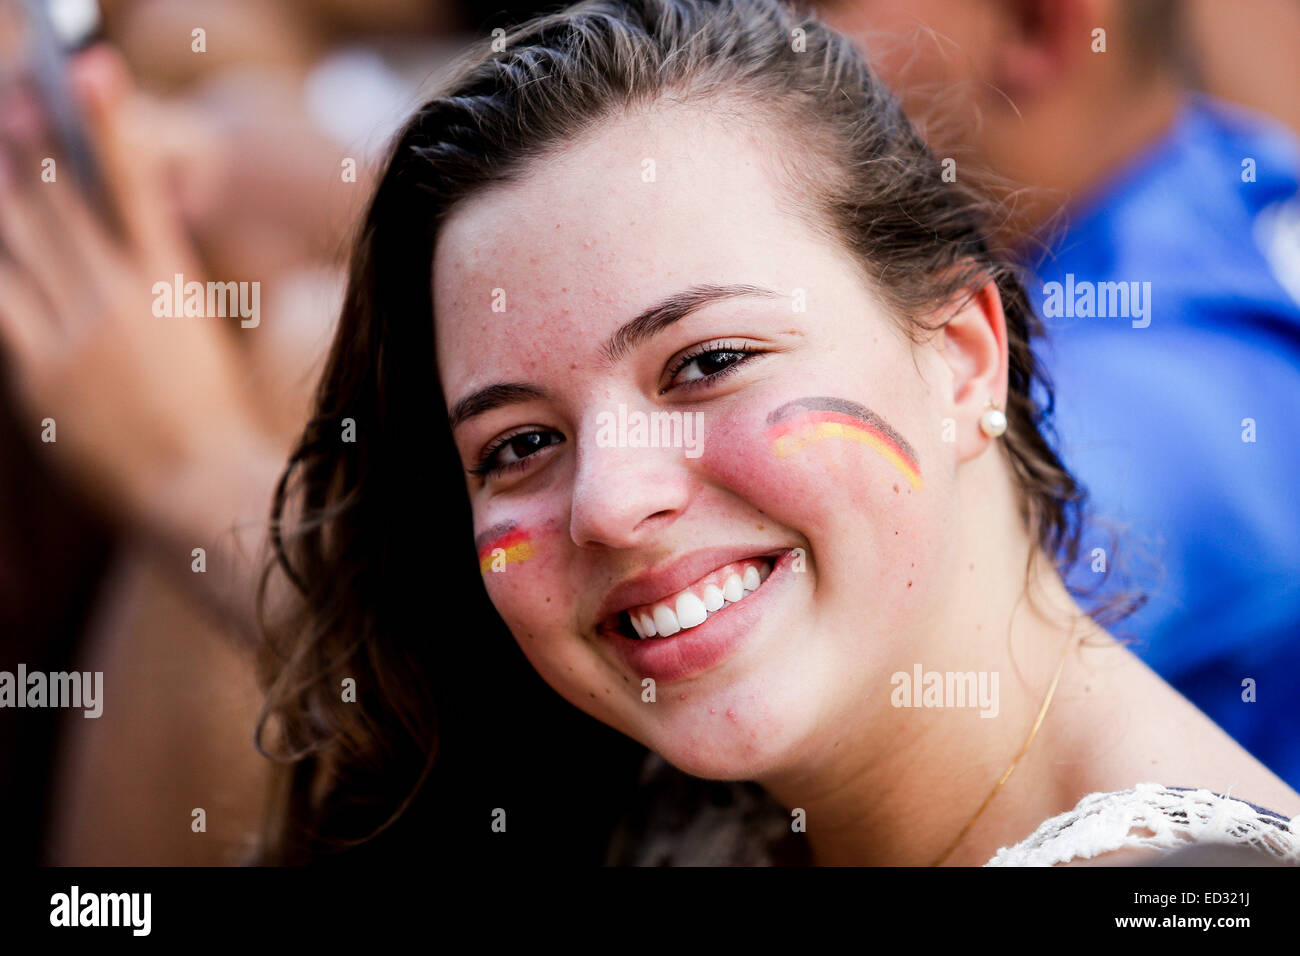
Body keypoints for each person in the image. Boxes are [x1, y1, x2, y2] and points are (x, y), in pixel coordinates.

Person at [225, 0, 1298, 864]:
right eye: (517, 444)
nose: (606, 500)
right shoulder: (659, 800)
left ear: (964, 352)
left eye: (707, 363)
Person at [811, 0, 1300, 790]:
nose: (750, 37)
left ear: (1040, 28)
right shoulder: (1226, 170)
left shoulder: (1141, 399)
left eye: (811, 9)